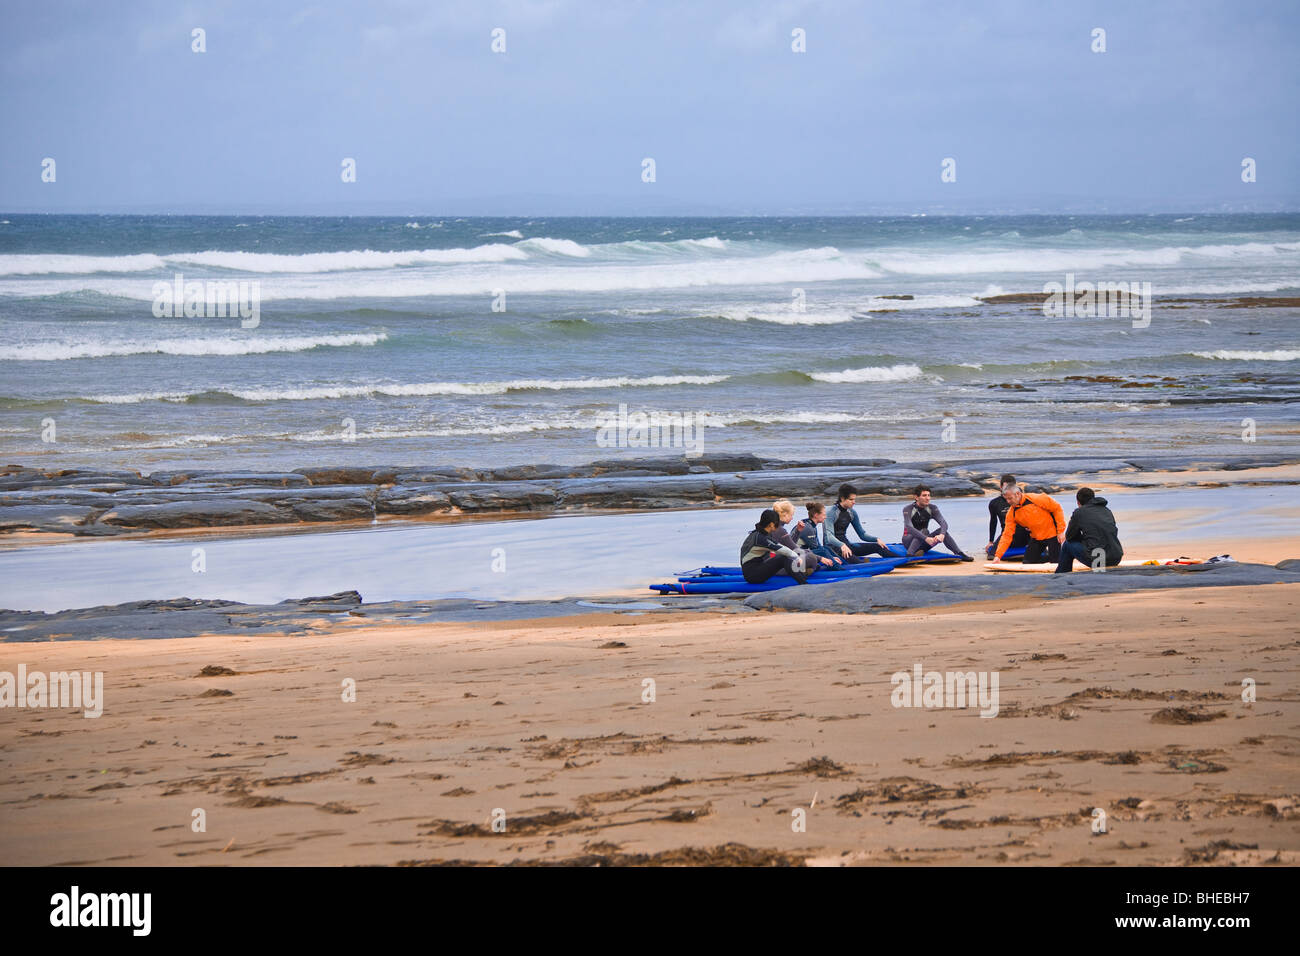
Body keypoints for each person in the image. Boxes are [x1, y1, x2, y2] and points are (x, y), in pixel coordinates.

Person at [989, 479, 1066, 565]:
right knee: (1027, 562)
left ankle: (1060, 558)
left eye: (1010, 498)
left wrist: (1060, 531)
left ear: (1018, 494)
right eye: (1006, 499)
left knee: (1055, 563)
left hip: (1052, 535)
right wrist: (998, 556)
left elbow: (1057, 509)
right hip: (1036, 537)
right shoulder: (1011, 513)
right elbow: (1007, 535)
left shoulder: (1037, 498)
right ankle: (1060, 557)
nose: (1008, 502)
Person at [1056, 487, 1124, 573]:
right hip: (1116, 557)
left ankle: (1061, 575)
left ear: (1078, 502)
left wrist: (1083, 538)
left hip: (1099, 560)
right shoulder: (1106, 510)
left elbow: (1069, 536)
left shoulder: (1079, 512)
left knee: (1067, 544)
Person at [740, 509, 814, 584]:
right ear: (771, 524)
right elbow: (781, 548)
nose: (778, 526)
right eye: (777, 523)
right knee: (784, 557)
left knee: (783, 556)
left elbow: (779, 546)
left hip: (756, 568)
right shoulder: (760, 538)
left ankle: (802, 577)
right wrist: (797, 557)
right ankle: (803, 583)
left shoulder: (760, 533)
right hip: (752, 576)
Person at [902, 484, 974, 561]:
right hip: (909, 542)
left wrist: (942, 534)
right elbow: (909, 528)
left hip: (924, 542)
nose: (928, 498)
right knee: (924, 531)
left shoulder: (932, 508)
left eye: (929, 495)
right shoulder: (908, 509)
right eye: (924, 495)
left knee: (942, 531)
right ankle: (909, 555)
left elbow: (943, 523)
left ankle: (959, 553)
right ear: (916, 497)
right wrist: (926, 538)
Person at [824, 484, 894, 558]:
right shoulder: (831, 512)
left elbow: (862, 535)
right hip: (833, 548)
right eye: (851, 499)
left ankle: (904, 562)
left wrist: (876, 539)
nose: (854, 502)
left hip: (847, 546)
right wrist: (842, 545)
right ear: (842, 498)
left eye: (854, 499)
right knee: (857, 562)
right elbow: (829, 537)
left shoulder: (851, 512)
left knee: (878, 546)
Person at [773, 499, 835, 569]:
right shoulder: (780, 530)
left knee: (810, 555)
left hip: (777, 561)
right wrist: (821, 558)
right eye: (791, 515)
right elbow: (794, 549)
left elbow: (790, 545)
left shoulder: (776, 527)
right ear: (785, 514)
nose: (792, 518)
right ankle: (837, 569)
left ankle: (809, 569)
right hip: (776, 567)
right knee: (812, 558)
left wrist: (798, 531)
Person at [790, 501, 852, 566]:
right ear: (816, 515)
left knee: (826, 548)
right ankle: (839, 568)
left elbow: (818, 546)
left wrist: (831, 557)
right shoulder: (808, 528)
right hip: (796, 556)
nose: (825, 517)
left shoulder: (811, 525)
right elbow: (815, 548)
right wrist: (830, 558)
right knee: (823, 551)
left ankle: (844, 564)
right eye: (824, 514)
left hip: (803, 552)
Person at [986, 473, 1031, 556]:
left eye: (1010, 487)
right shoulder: (994, 503)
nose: (1008, 490)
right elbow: (993, 522)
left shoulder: (1024, 499)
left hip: (1025, 534)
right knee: (991, 555)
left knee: (1041, 552)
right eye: (1005, 487)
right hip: (1007, 535)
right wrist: (991, 541)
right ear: (1000, 487)